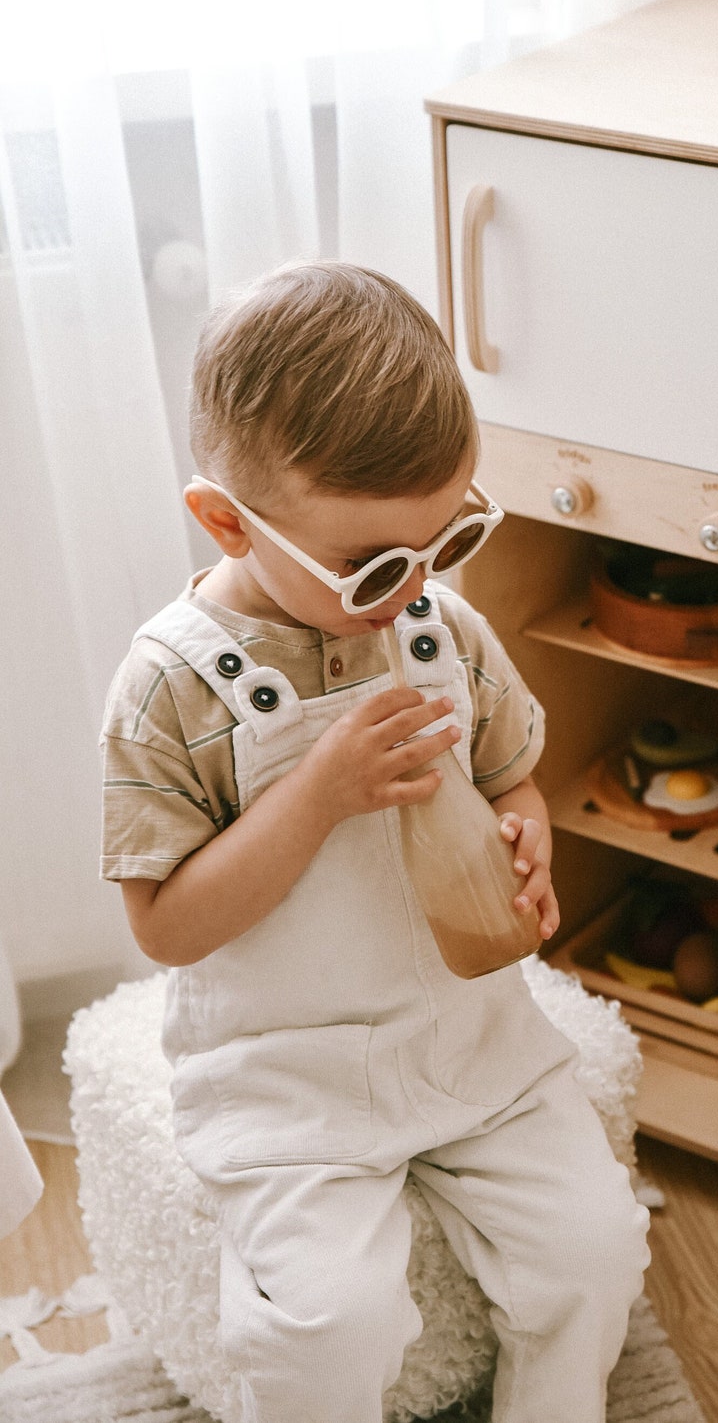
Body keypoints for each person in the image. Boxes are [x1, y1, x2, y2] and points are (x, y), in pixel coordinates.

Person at [100, 261, 650, 1423]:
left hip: (467, 1044)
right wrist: (316, 796)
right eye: (376, 565)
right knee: (327, 1326)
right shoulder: (169, 691)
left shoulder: (441, 626)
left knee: (596, 1249)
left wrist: (527, 842)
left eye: (446, 541)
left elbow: (515, 779)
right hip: (286, 1075)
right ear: (224, 520)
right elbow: (165, 925)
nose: (417, 588)